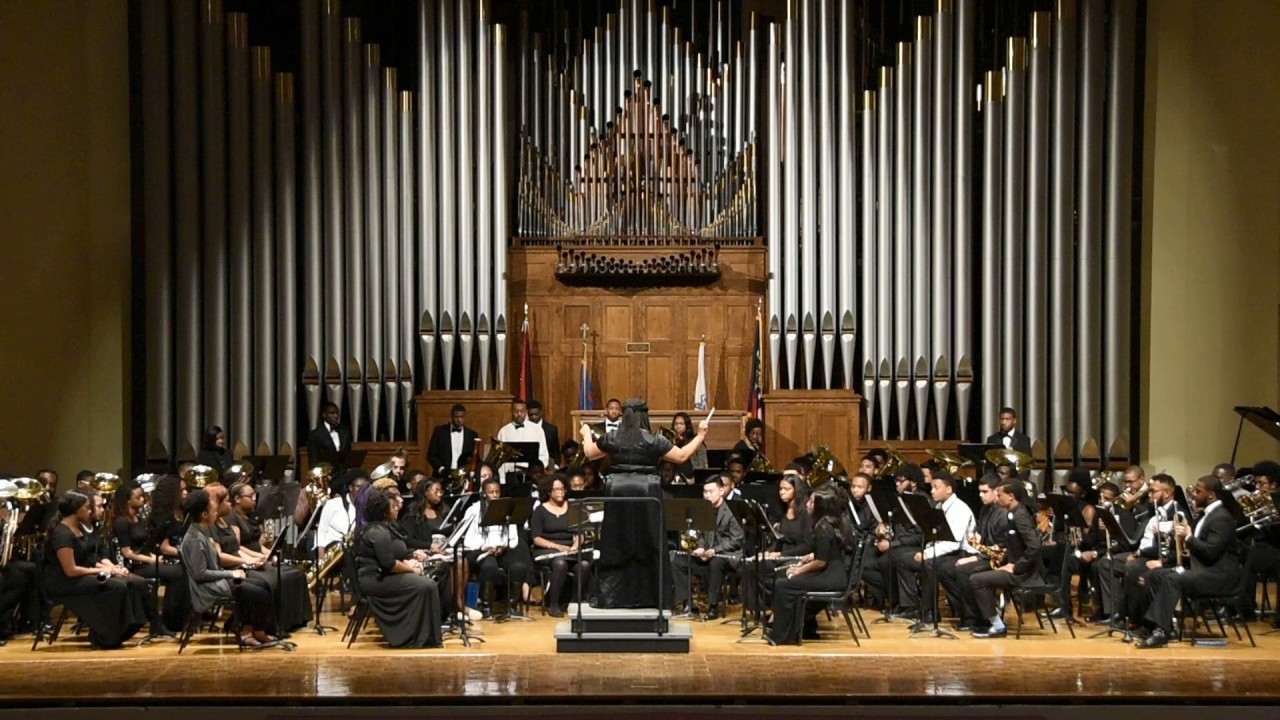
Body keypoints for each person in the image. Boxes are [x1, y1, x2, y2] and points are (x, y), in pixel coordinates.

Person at [580, 397, 710, 609]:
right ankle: (650, 596)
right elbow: (682, 455)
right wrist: (702, 435)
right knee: (648, 542)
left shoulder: (613, 437)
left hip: (618, 492)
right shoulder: (653, 439)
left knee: (617, 542)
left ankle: (614, 596)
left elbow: (589, 453)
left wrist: (586, 434)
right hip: (647, 492)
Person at [1138, 476, 1243, 648]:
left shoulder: (1221, 518)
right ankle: (1164, 627)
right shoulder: (1205, 515)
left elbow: (1210, 552)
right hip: (1202, 570)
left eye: (1198, 491)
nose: (1193, 494)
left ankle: (1159, 632)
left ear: (1211, 495)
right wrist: (1164, 562)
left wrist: (1187, 536)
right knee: (1156, 575)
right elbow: (1194, 551)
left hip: (1218, 576)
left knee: (1173, 579)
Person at [41, 492, 149, 648]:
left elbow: (88, 560)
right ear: (76, 510)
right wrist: (101, 572)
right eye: (86, 508)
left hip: (80, 577)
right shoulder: (62, 534)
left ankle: (124, 628)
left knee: (126, 582)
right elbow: (70, 570)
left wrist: (110, 568)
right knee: (115, 585)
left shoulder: (77, 529)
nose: (90, 511)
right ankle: (108, 634)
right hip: (64, 582)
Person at [179, 488, 278, 648]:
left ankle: (254, 630)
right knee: (256, 592)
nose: (216, 513)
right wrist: (232, 573)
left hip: (217, 581)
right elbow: (200, 574)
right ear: (204, 515)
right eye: (212, 510)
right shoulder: (195, 539)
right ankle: (249, 633)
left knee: (262, 585)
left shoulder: (201, 533)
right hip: (208, 588)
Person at [765, 485, 855, 645]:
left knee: (783, 585)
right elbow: (826, 553)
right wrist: (810, 557)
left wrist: (799, 570)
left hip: (831, 577)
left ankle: (783, 634)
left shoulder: (823, 528)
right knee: (782, 577)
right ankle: (796, 628)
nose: (807, 504)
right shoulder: (828, 524)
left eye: (811, 502)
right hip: (833, 573)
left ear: (820, 506)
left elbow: (821, 562)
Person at [355, 488, 444, 648]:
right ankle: (415, 636)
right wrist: (411, 569)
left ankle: (425, 633)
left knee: (434, 574)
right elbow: (388, 564)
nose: (397, 508)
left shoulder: (387, 527)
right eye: (393, 506)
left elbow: (396, 554)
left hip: (384, 576)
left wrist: (411, 559)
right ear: (383, 511)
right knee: (425, 584)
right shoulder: (377, 532)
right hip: (374, 580)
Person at [892, 475, 976, 624]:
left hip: (960, 553)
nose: (932, 491)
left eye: (936, 488)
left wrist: (927, 553)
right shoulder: (939, 506)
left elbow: (954, 543)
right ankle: (912, 607)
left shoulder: (959, 509)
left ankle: (930, 612)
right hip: (943, 551)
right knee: (902, 559)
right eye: (931, 487)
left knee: (929, 563)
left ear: (949, 489)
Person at [965, 482, 1042, 639]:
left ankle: (997, 626)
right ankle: (992, 621)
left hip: (1024, 574)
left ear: (1011, 497)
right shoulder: (1012, 512)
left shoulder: (1020, 516)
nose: (997, 498)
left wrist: (1016, 567)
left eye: (1000, 495)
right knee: (976, 575)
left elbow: (1034, 546)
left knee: (976, 580)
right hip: (1016, 568)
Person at [111, 481, 185, 634]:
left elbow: (144, 546)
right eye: (139, 497)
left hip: (144, 562)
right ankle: (165, 621)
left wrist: (153, 555)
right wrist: (152, 560)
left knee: (180, 569)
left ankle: (172, 618)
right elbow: (127, 552)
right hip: (133, 566)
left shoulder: (139, 519)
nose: (143, 500)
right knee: (176, 573)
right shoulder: (121, 522)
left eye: (143, 496)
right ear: (127, 500)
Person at [670, 474, 744, 618]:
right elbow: (702, 534)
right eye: (705, 492)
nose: (707, 495)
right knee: (676, 559)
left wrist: (713, 550)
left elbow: (736, 539)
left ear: (721, 491)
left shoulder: (732, 510)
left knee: (716, 563)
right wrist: (700, 547)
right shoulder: (703, 509)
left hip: (725, 555)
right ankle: (688, 603)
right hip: (706, 553)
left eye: (711, 491)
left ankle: (713, 606)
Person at [461, 477, 534, 617]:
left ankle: (512, 606)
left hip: (501, 551)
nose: (494, 495)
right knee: (490, 566)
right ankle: (487, 606)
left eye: (497, 492)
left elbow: (513, 538)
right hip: (480, 551)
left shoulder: (506, 508)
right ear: (484, 493)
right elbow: (468, 541)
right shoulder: (474, 510)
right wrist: (485, 548)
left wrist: (504, 547)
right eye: (491, 492)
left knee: (519, 566)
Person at [745, 473, 813, 615]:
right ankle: (760, 608)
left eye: (786, 489)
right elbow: (780, 539)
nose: (782, 492)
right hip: (782, 554)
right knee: (752, 564)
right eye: (781, 489)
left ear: (796, 490)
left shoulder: (805, 514)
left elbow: (807, 545)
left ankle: (774, 607)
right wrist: (767, 552)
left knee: (763, 568)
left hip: (797, 556)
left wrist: (780, 554)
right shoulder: (784, 511)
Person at [531, 474, 592, 617]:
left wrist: (575, 546)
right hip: (547, 549)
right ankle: (553, 604)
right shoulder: (540, 511)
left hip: (570, 549)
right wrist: (558, 547)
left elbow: (580, 533)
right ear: (548, 492)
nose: (560, 492)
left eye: (562, 489)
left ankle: (575, 602)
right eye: (556, 489)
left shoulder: (573, 508)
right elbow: (537, 538)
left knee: (584, 565)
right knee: (560, 564)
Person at [1237, 461, 1280, 624]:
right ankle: (1245, 609)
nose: (1257, 487)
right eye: (1256, 483)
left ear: (1273, 483)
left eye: (1261, 483)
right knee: (1249, 555)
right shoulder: (1262, 498)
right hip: (1269, 545)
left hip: (1277, 545)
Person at [494, 398, 550, 479]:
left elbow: (543, 454)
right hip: (510, 475)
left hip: (531, 475)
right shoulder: (503, 431)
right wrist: (502, 478)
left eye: (522, 411)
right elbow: (500, 458)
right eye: (516, 411)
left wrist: (537, 472)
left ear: (526, 412)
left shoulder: (537, 430)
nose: (519, 414)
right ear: (511, 412)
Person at [426, 403, 480, 478]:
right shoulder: (440, 432)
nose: (459, 420)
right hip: (443, 474)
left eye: (462, 417)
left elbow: (474, 458)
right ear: (451, 416)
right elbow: (431, 455)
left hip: (463, 475)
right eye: (456, 417)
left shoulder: (472, 435)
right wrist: (441, 469)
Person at [526, 400, 560, 471]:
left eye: (536, 414)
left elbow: (555, 451)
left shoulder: (551, 430)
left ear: (541, 413)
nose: (534, 417)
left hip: (547, 467)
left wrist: (555, 466)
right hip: (528, 467)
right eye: (531, 415)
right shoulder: (524, 429)